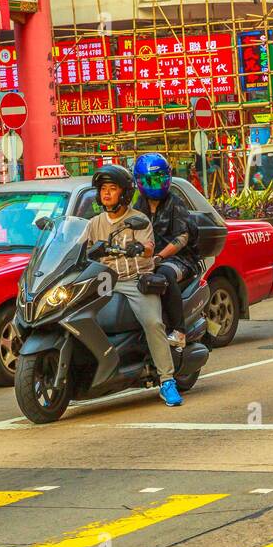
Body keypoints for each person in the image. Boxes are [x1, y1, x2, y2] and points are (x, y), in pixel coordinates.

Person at [82, 165, 183, 408]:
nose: (106, 194)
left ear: (124, 194)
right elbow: (80, 248)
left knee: (152, 322)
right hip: (104, 281)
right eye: (103, 189)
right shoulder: (94, 223)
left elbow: (148, 246)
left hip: (134, 280)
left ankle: (167, 380)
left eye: (112, 189)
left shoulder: (137, 220)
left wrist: (141, 249)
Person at [132, 152, 199, 350]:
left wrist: (159, 257)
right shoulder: (139, 206)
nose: (155, 184)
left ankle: (179, 331)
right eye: (150, 180)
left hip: (179, 259)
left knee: (164, 275)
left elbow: (182, 238)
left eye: (159, 179)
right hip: (147, 258)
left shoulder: (175, 202)